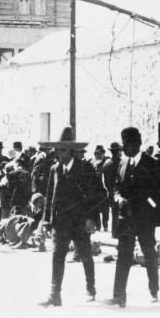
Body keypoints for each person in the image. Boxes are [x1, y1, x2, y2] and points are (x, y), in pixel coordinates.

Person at [104, 127, 160, 308]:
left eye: (127, 144)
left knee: (149, 253)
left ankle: (154, 290)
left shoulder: (152, 163)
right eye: (124, 143)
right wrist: (118, 199)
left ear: (137, 144)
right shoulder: (122, 164)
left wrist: (151, 202)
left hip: (145, 217)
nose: (124, 147)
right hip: (126, 217)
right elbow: (117, 187)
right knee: (123, 255)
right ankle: (119, 296)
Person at [37, 127, 101, 307]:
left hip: (80, 222)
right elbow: (50, 196)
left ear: (71, 151)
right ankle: (54, 295)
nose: (59, 153)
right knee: (57, 256)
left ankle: (91, 288)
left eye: (63, 149)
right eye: (57, 149)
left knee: (85, 255)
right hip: (61, 222)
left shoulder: (85, 168)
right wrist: (47, 221)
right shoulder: (54, 169)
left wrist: (91, 218)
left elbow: (95, 195)